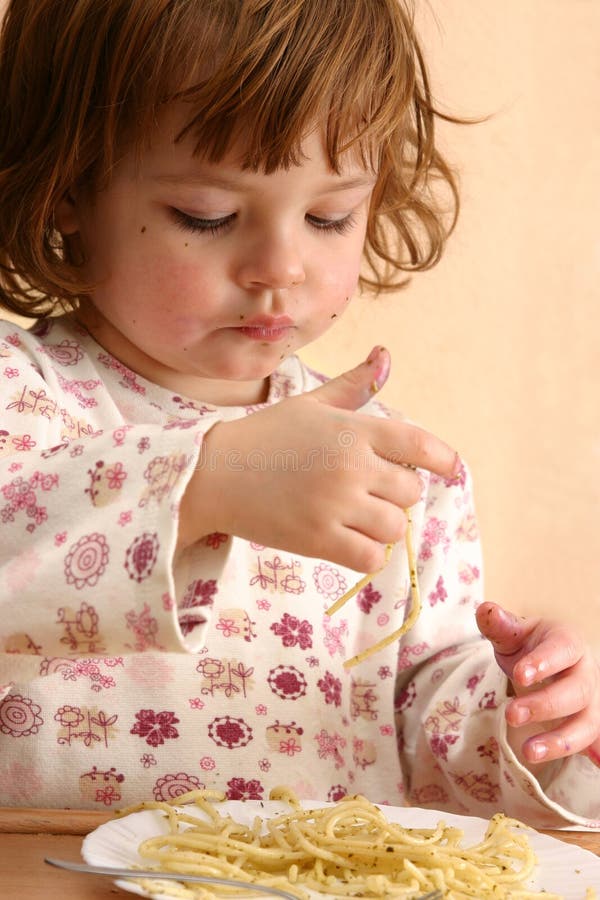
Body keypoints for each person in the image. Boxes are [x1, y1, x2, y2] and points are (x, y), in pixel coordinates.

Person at [0, 0, 598, 825]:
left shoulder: (390, 464)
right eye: (206, 216)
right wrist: (211, 480)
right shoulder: (22, 398)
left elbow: (428, 743)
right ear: (68, 187)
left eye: (329, 217)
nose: (279, 268)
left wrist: (534, 715)